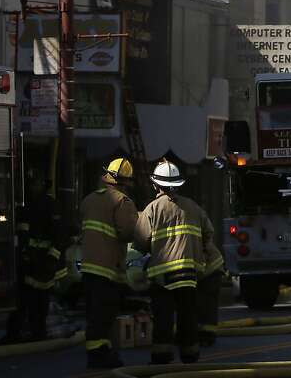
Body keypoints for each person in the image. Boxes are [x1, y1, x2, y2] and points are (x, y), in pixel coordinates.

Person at [134, 159, 215, 366]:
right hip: (189, 273)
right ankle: (190, 355)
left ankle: (161, 357)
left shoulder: (152, 209)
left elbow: (140, 242)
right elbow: (209, 232)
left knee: (163, 317)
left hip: (163, 276)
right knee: (188, 315)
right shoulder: (193, 207)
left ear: (156, 185)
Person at [79, 157, 139, 369]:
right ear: (126, 182)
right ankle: (101, 356)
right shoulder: (122, 202)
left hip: (88, 267)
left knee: (93, 313)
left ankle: (97, 354)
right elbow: (128, 232)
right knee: (105, 315)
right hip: (108, 269)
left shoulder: (88, 200)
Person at [0, 171, 62, 345]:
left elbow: (58, 235)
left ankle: (37, 333)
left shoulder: (50, 205)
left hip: (44, 262)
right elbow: (23, 232)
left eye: (36, 183)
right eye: (32, 183)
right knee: (23, 300)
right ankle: (18, 333)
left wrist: (52, 257)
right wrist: (25, 254)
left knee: (40, 301)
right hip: (30, 261)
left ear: (43, 185)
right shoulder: (28, 205)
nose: (33, 187)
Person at [196, 206, 226, 347]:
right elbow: (209, 231)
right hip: (212, 265)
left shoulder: (155, 210)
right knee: (206, 304)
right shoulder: (193, 208)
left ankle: (206, 335)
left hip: (209, 267)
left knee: (206, 304)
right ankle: (204, 335)